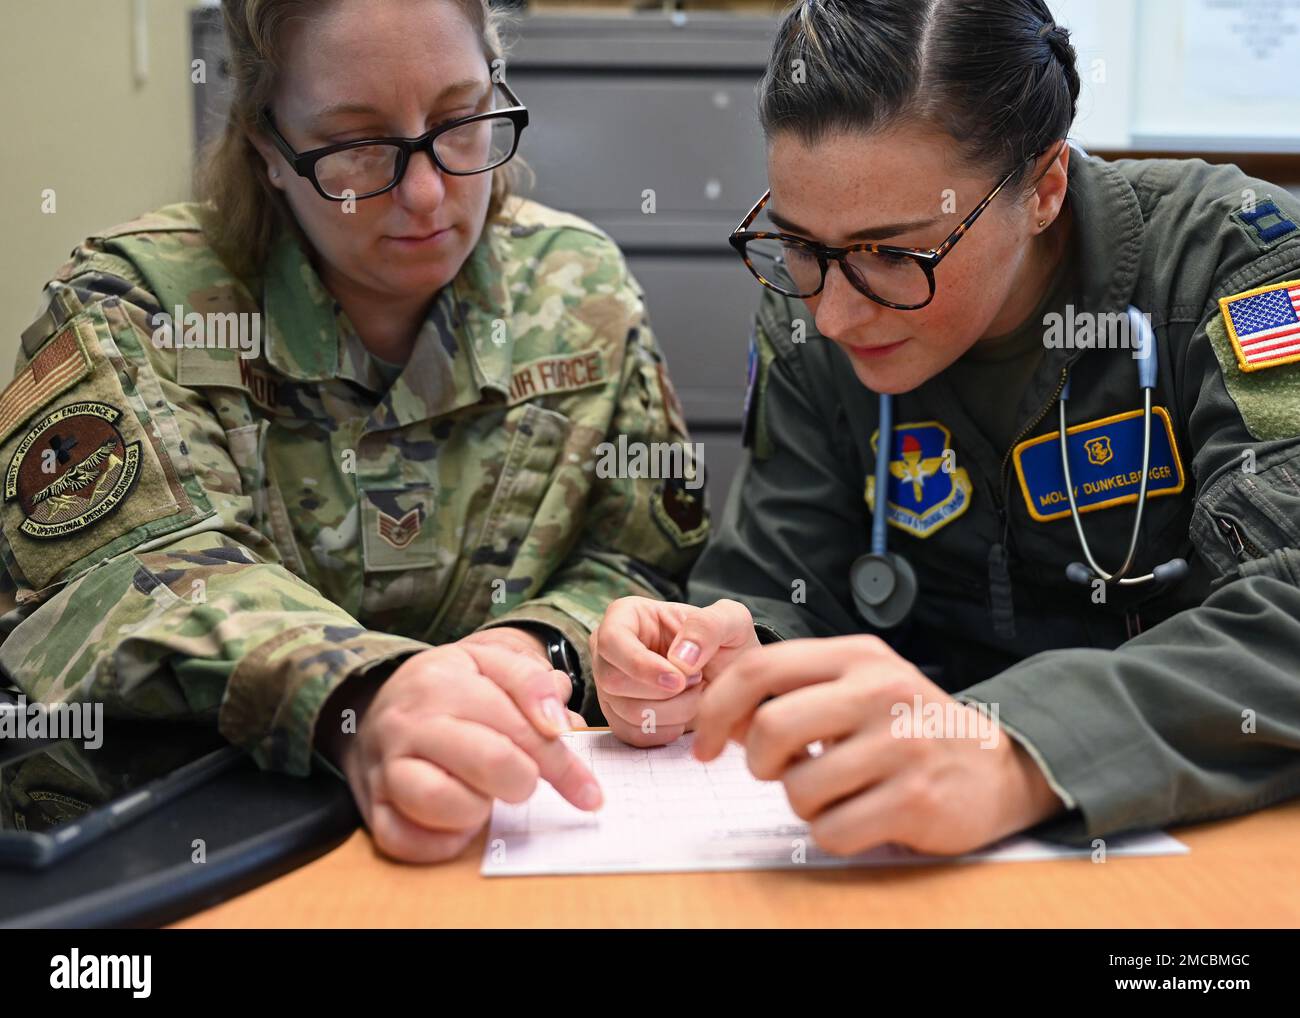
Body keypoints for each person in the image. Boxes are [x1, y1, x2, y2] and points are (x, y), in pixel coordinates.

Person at [0, 0, 707, 864]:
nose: (425, 191)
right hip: (193, 843)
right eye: (356, 147)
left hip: (506, 825)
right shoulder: (139, 303)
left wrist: (537, 642)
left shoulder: (578, 289)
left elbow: (633, 557)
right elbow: (117, 575)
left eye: (460, 121)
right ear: (267, 146)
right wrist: (366, 695)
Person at [591, 0, 1300, 856]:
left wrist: (1015, 751)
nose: (835, 315)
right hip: (898, 851)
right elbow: (781, 582)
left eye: (895, 254)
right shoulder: (809, 315)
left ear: (1043, 188)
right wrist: (728, 654)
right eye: (800, 246)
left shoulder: (1231, 267)